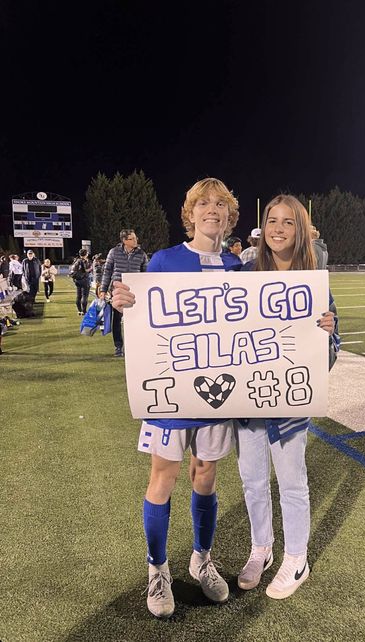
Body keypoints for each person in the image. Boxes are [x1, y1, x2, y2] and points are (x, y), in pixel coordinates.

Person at [111, 178, 241, 618]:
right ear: (190, 213)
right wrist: (125, 300)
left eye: (219, 204)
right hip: (173, 391)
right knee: (163, 477)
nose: (211, 210)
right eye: (203, 203)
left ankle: (201, 559)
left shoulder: (236, 267)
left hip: (218, 393)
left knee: (205, 475)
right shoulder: (165, 260)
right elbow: (142, 313)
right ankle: (157, 568)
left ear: (229, 215)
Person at [235, 194, 339, 600]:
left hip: (289, 403)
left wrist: (327, 333)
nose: (277, 228)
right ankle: (261, 547)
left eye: (287, 222)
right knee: (252, 481)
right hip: (246, 398)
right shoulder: (243, 272)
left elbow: (332, 351)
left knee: (292, 482)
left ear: (301, 229)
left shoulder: (313, 280)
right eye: (271, 220)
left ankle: (296, 557)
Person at [100, 230, 148, 357]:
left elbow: (146, 274)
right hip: (117, 293)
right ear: (124, 241)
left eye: (135, 238)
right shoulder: (114, 252)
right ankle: (118, 347)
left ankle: (136, 345)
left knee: (137, 320)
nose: (136, 240)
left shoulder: (141, 254)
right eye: (132, 239)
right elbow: (107, 272)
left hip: (135, 293)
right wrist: (103, 290)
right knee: (116, 321)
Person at [71, 249, 92, 315]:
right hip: (85, 280)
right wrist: (91, 268)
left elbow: (72, 270)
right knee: (85, 296)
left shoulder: (76, 260)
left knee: (78, 296)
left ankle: (79, 310)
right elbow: (86, 270)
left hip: (77, 280)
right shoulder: (85, 261)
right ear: (86, 254)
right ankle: (84, 311)